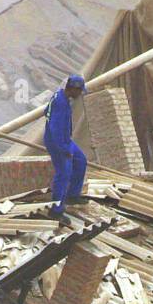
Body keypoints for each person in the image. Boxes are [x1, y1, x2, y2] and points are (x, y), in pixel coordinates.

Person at [44, 74, 88, 216]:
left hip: (65, 140)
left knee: (81, 161)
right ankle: (56, 211)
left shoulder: (60, 96)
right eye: (80, 91)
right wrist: (63, 149)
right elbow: (54, 129)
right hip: (57, 142)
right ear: (74, 89)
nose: (80, 94)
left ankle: (72, 195)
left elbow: (46, 112)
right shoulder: (61, 103)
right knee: (63, 174)